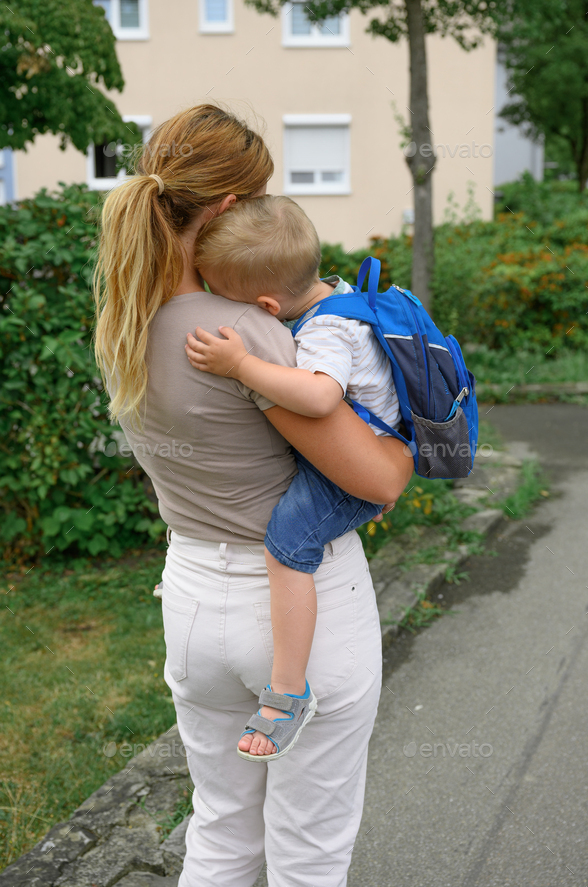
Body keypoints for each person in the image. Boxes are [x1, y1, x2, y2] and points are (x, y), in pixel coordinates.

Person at [94, 103, 413, 887]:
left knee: (220, 830)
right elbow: (376, 478)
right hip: (298, 611)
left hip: (192, 602)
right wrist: (406, 447)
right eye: (260, 201)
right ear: (228, 208)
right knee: (309, 851)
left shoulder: (124, 324)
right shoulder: (247, 336)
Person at [185, 195, 401, 761]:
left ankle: (287, 690)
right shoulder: (337, 295)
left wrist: (241, 365)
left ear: (265, 305)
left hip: (347, 474)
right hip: (369, 455)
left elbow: (321, 396)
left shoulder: (325, 332)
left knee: (286, 548)